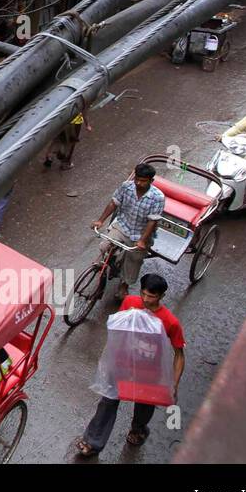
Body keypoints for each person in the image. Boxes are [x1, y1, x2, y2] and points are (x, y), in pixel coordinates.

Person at [76, 273, 185, 458]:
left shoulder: (170, 322)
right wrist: (107, 360)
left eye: (152, 296)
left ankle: (139, 429)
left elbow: (179, 355)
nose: (146, 300)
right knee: (108, 402)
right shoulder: (129, 303)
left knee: (144, 406)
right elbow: (116, 332)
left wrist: (174, 384)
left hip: (149, 372)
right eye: (143, 294)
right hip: (122, 366)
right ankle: (93, 441)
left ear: (161, 297)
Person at [90, 163, 165, 301]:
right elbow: (114, 203)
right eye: (137, 179)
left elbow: (152, 221)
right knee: (104, 246)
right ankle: (109, 266)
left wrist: (142, 240)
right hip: (122, 225)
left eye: (143, 181)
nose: (138, 183)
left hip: (141, 233)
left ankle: (124, 285)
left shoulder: (158, 197)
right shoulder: (126, 186)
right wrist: (100, 221)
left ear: (151, 181)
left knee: (134, 260)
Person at [43, 104, 92, 170]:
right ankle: (65, 163)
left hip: (62, 120)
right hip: (74, 123)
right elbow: (84, 110)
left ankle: (49, 156)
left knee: (58, 139)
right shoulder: (80, 97)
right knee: (70, 143)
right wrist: (87, 124)